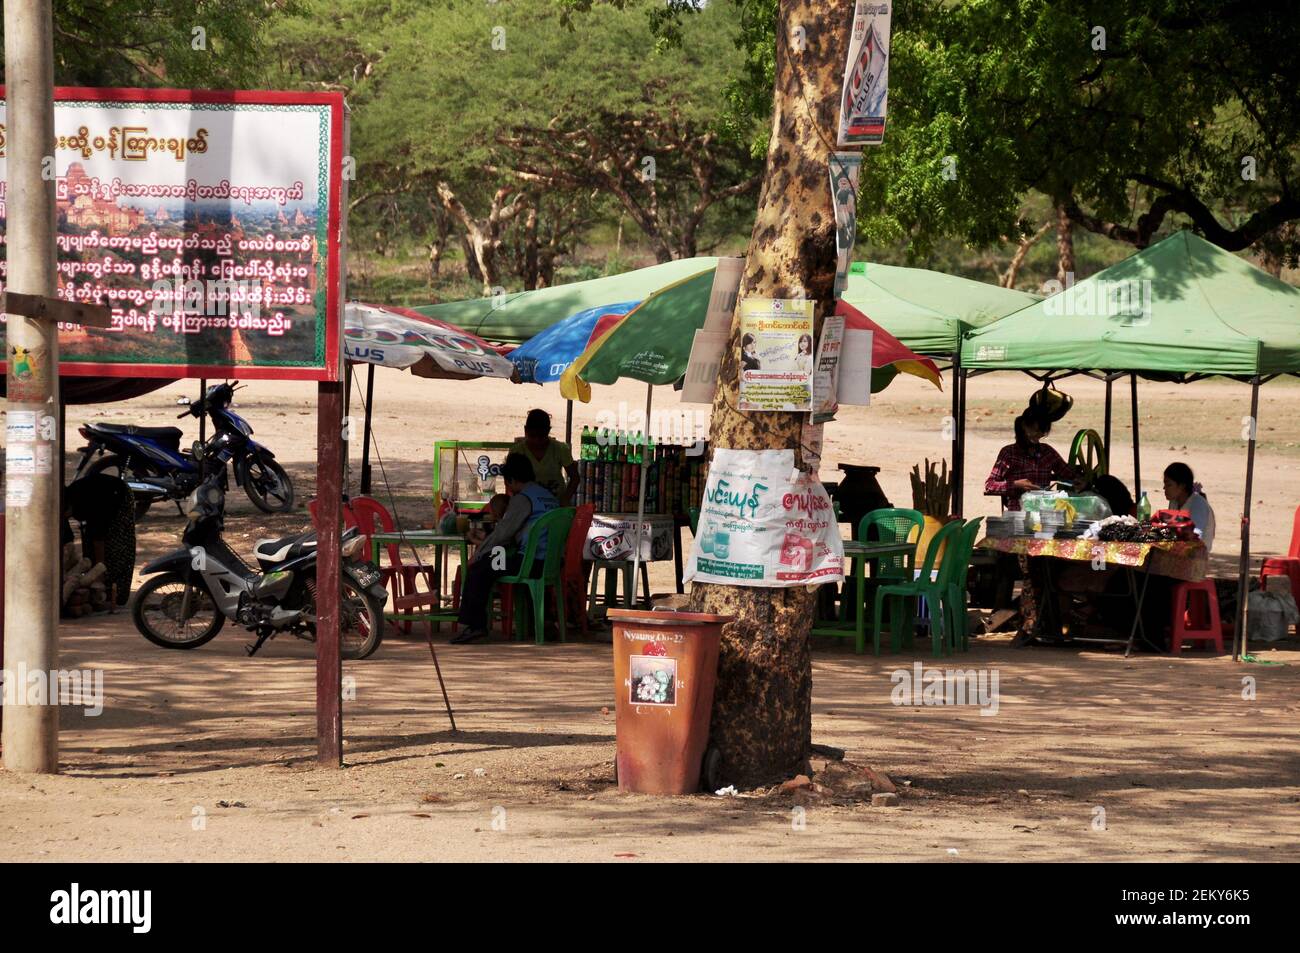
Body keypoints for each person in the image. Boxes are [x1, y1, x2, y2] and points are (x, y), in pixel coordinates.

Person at [452, 452, 558, 643]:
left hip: (529, 562)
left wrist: (480, 552)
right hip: (551, 562)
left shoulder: (522, 499)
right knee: (493, 563)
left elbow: (503, 534)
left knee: (480, 569)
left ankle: (475, 625)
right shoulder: (548, 496)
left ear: (512, 480)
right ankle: (543, 621)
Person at [984, 410, 1075, 511]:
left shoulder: (1048, 452)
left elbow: (1069, 474)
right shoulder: (1009, 453)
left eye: (1042, 433)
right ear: (1024, 426)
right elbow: (990, 485)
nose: (1039, 436)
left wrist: (1080, 481)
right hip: (1018, 512)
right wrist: (1015, 484)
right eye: (1036, 430)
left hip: (1045, 511)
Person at [510, 408, 579, 505]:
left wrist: (565, 498)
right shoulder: (517, 451)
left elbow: (575, 477)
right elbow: (509, 479)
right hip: (526, 504)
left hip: (554, 505)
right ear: (525, 430)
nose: (537, 440)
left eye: (541, 436)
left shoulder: (560, 449)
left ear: (548, 431)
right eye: (532, 436)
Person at [1163, 462, 1215, 551]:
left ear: (1182, 486)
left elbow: (1194, 537)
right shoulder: (1174, 502)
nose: (1164, 488)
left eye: (1168, 485)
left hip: (1195, 557)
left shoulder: (1198, 504)